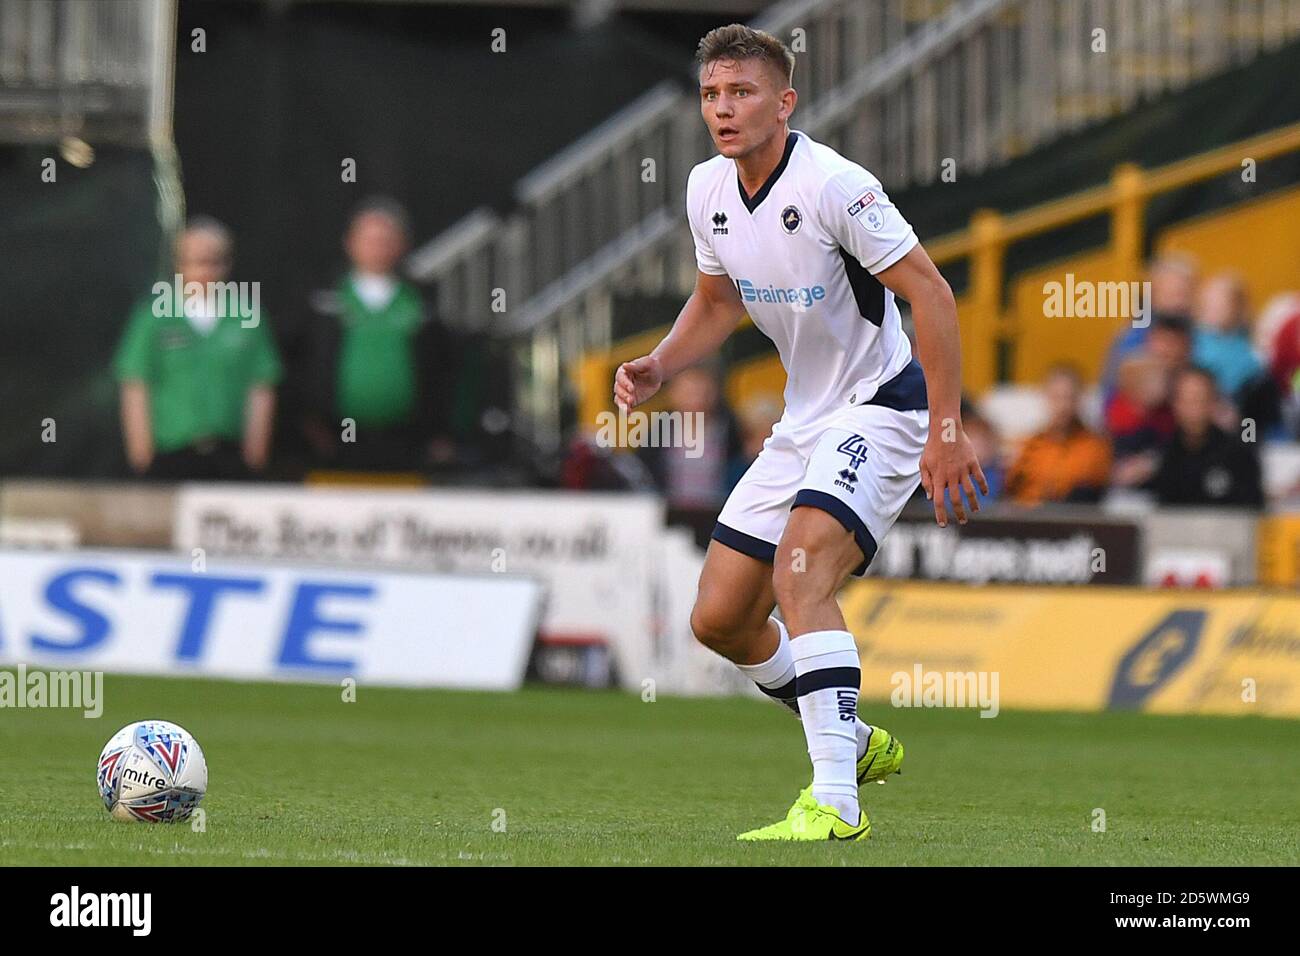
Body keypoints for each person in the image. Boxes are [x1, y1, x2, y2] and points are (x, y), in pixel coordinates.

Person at [614, 24, 983, 842]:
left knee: (801, 572)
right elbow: (717, 302)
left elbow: (934, 296)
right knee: (718, 619)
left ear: (785, 102)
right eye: (711, 94)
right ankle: (850, 738)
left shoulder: (836, 186)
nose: (723, 109)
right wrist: (662, 363)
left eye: (741, 93)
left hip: (883, 405)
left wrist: (947, 430)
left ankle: (835, 802)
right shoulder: (706, 188)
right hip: (803, 418)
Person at [114, 217, 282, 480]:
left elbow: (261, 384)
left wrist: (255, 453)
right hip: (169, 456)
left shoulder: (247, 315)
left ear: (227, 263)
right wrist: (141, 453)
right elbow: (136, 383)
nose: (203, 271)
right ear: (178, 264)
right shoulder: (153, 316)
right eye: (193, 261)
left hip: (229, 457)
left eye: (212, 261)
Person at [300, 198, 454, 471]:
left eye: (386, 240)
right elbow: (300, 364)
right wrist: (312, 425)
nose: (377, 248)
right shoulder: (324, 301)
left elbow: (443, 370)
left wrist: (437, 434)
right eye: (369, 239)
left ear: (402, 244)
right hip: (336, 444)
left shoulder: (422, 304)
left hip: (406, 444)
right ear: (350, 243)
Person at [1149, 367, 1263, 507]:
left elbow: (1252, 510)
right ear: (1174, 404)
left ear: (1213, 402)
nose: (1193, 408)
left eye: (1199, 398)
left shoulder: (1239, 456)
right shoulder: (1162, 456)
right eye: (1185, 399)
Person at [1004, 365, 1111, 505]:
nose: (1063, 406)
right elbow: (1009, 491)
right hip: (1028, 519)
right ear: (1045, 398)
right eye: (1056, 398)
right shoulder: (1027, 445)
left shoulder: (1096, 447)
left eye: (1069, 398)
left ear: (1080, 399)